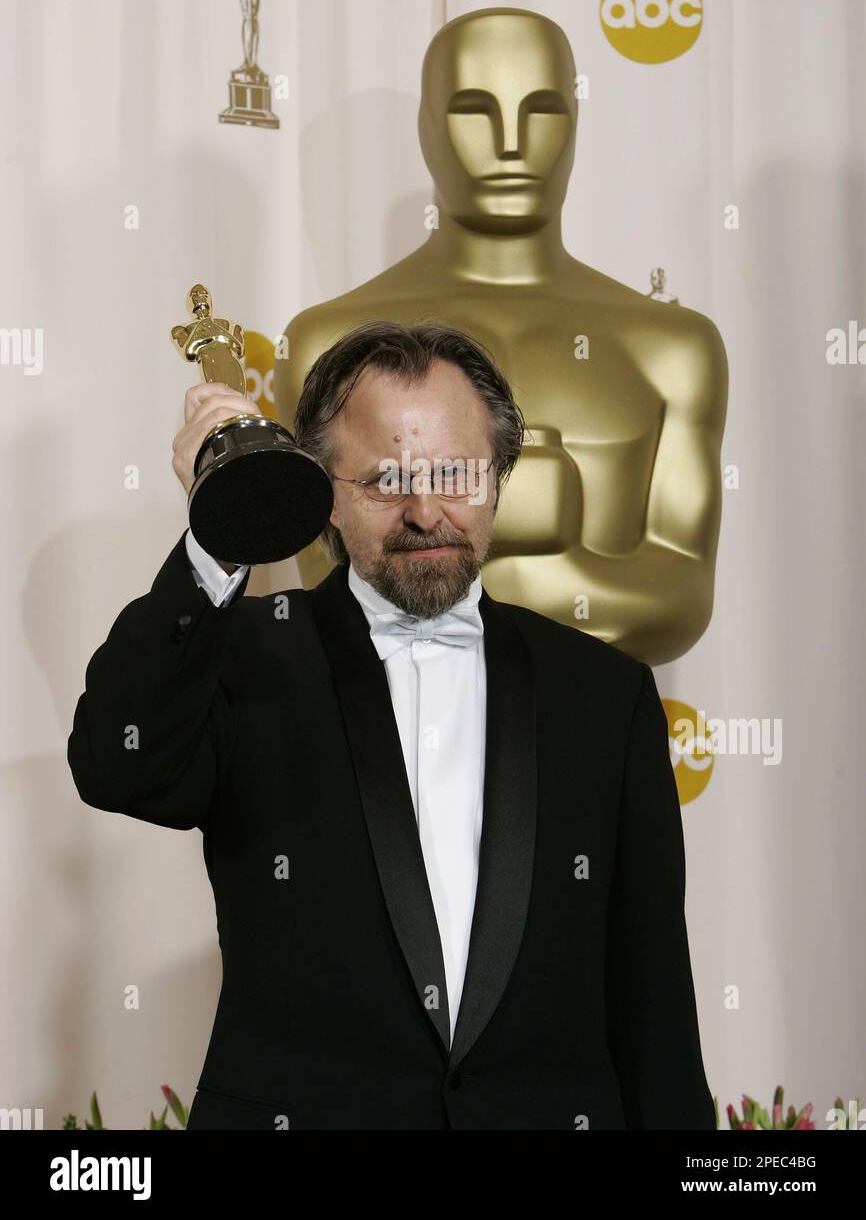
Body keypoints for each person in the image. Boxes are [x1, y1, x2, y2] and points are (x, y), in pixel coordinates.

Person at [67, 320, 716, 1131]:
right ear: (324, 495)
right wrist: (219, 534)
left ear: (499, 480)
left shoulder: (604, 693)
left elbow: (653, 1000)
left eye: (455, 473)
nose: (424, 511)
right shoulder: (245, 658)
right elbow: (115, 765)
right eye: (384, 481)